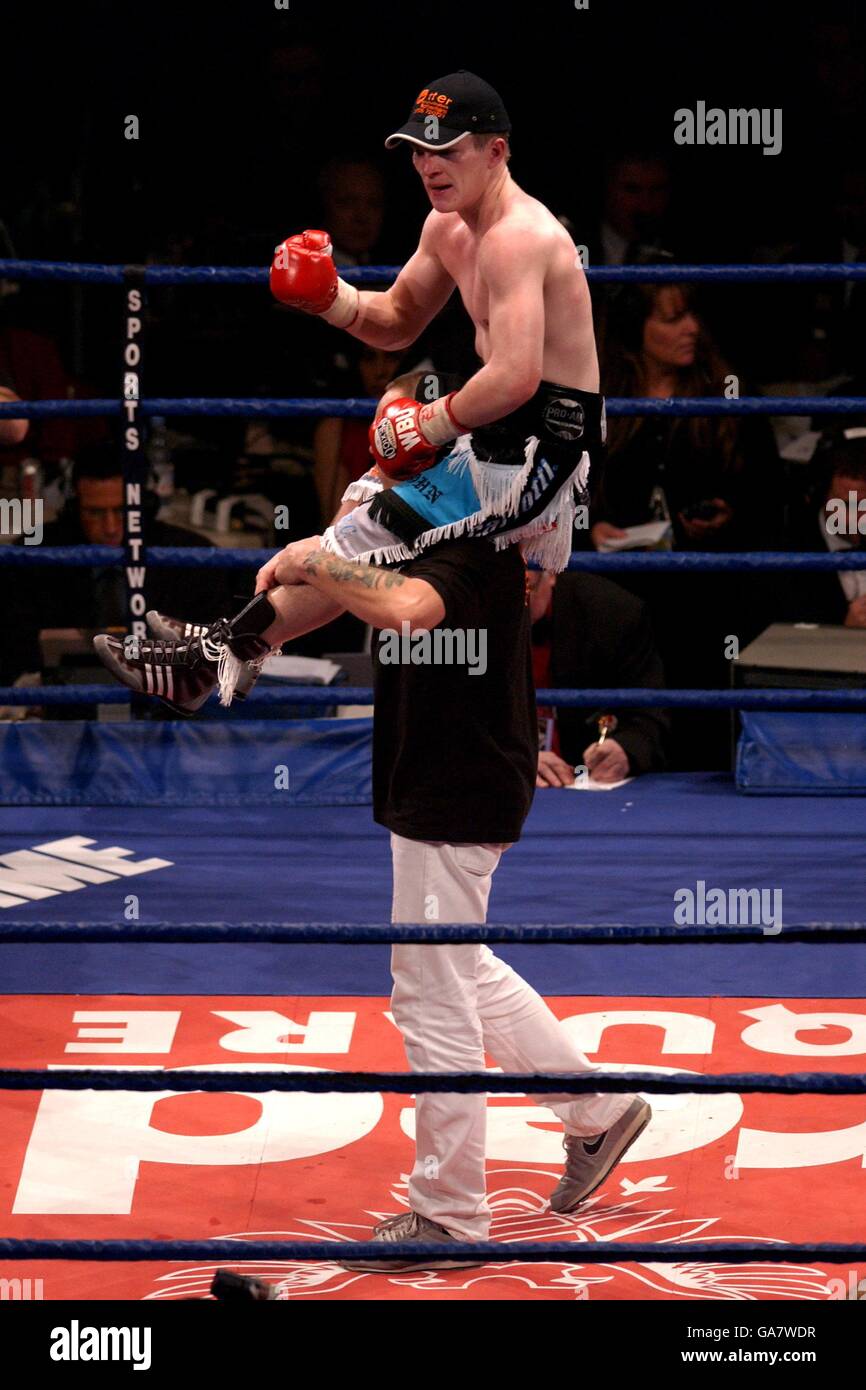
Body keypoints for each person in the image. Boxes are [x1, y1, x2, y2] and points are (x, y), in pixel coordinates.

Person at [93, 70, 606, 712]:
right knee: (359, 505)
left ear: (496, 149)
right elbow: (395, 319)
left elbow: (515, 375)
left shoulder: (517, 238)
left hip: (541, 446)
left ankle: (214, 656)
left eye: (446, 150)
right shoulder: (447, 226)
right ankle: (222, 655)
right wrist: (330, 298)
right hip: (495, 426)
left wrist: (431, 424)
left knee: (361, 534)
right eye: (420, 150)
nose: (428, 165)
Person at [531, 572, 669, 787]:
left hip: (587, 786)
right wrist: (513, 760)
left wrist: (626, 748)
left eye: (527, 590)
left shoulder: (611, 613)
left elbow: (649, 711)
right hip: (500, 785)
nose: (513, 603)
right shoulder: (467, 610)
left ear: (551, 573)